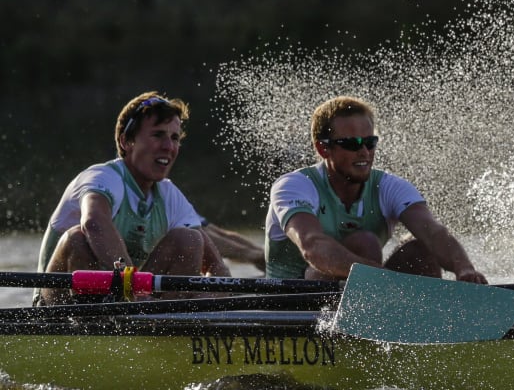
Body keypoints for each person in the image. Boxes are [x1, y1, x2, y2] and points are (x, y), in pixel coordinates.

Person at [264, 96, 487, 284]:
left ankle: (429, 327)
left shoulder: (389, 186)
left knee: (419, 249)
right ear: (323, 148)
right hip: (296, 299)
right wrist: (384, 276)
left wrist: (464, 268)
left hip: (365, 291)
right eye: (352, 144)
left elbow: (433, 232)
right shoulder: (294, 186)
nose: (364, 152)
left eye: (370, 142)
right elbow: (312, 246)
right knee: (365, 243)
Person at [36, 92, 230, 305]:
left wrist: (203, 302)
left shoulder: (169, 195)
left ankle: (162, 324)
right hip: (57, 308)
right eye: (158, 135)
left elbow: (218, 270)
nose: (169, 146)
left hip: (128, 304)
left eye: (174, 138)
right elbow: (93, 223)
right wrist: (133, 286)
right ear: (126, 141)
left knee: (190, 240)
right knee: (78, 239)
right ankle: (91, 324)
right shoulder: (103, 177)